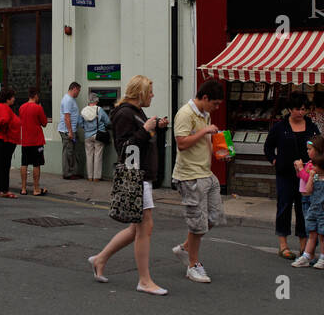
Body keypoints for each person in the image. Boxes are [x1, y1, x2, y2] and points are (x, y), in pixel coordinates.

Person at [87, 75, 169, 295]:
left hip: (142, 175)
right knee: (144, 226)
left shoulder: (135, 112)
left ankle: (100, 259)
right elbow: (124, 147)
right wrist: (145, 130)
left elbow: (140, 138)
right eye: (150, 92)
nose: (152, 95)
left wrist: (156, 127)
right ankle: (144, 280)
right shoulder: (124, 113)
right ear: (140, 93)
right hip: (135, 176)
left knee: (137, 227)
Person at [170, 79, 226, 283]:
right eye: (215, 103)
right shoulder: (185, 114)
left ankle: (185, 248)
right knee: (197, 224)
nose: (216, 107)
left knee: (214, 216)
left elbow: (206, 141)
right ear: (205, 98)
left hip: (205, 173)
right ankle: (193, 266)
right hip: (189, 175)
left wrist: (219, 153)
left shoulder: (205, 114)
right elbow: (182, 143)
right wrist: (204, 131)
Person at [263, 95, 314, 259]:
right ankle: (283, 245)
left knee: (303, 208)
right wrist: (274, 160)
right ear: (290, 109)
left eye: (304, 109)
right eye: (298, 109)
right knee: (284, 206)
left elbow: (318, 144)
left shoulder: (311, 126)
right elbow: (268, 146)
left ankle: (303, 245)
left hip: (305, 175)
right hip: (285, 173)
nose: (301, 112)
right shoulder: (280, 127)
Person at [293, 140, 324, 269]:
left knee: (322, 235)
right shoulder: (315, 177)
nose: (313, 168)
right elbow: (308, 190)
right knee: (311, 233)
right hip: (314, 208)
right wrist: (309, 176)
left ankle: (323, 258)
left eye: (315, 166)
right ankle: (306, 256)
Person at [0, 88, 21, 199]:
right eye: (12, 97)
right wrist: (4, 129)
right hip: (4, 139)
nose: (14, 99)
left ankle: (0, 189)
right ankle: (4, 190)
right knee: (4, 165)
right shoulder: (5, 108)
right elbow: (4, 120)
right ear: (8, 98)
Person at [17, 88, 49, 195]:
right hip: (37, 141)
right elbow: (44, 123)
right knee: (36, 164)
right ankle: (36, 189)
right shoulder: (38, 108)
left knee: (24, 163)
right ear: (35, 96)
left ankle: (23, 188)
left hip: (25, 140)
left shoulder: (21, 108)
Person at [79, 96, 111, 182]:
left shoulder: (84, 110)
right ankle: (96, 177)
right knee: (98, 156)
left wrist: (86, 128)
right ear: (96, 101)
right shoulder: (99, 110)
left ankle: (89, 177)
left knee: (89, 156)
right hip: (98, 135)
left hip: (87, 136)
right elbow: (107, 121)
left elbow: (80, 123)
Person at [59, 81, 83, 179]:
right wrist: (70, 132)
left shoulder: (71, 99)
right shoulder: (68, 100)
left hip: (71, 130)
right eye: (79, 91)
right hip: (67, 131)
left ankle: (73, 172)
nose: (79, 93)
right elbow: (67, 117)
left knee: (73, 151)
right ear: (74, 89)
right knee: (68, 152)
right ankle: (67, 174)